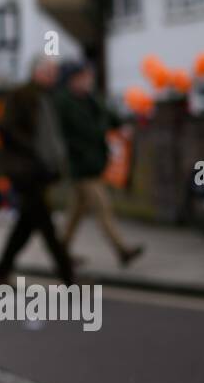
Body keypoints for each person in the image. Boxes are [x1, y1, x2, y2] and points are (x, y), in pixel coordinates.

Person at [0, 55, 75, 285]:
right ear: (37, 72)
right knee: (46, 226)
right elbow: (7, 128)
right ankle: (68, 277)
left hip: (40, 170)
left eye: (54, 72)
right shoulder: (21, 95)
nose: (53, 77)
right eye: (49, 72)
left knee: (25, 226)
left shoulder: (48, 97)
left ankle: (1, 272)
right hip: (26, 171)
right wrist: (33, 151)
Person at [55, 61, 144, 267]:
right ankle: (122, 249)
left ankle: (60, 252)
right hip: (80, 166)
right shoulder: (64, 104)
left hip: (95, 162)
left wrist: (122, 126)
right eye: (84, 77)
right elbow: (71, 135)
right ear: (73, 80)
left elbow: (109, 117)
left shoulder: (92, 100)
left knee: (75, 213)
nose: (88, 81)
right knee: (103, 208)